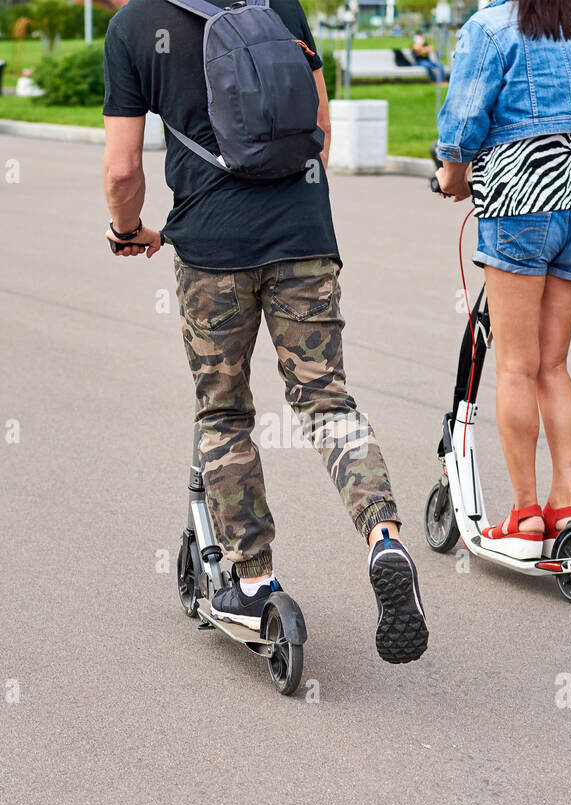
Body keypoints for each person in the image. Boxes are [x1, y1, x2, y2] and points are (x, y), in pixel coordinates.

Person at [101, 0, 429, 664]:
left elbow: (122, 170)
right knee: (327, 402)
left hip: (212, 251)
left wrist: (127, 228)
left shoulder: (134, 28)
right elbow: (319, 124)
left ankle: (252, 582)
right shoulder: (280, 2)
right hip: (305, 235)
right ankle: (385, 539)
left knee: (224, 413)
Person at [434, 0, 571, 561]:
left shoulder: (492, 28)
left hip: (519, 206)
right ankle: (564, 505)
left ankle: (523, 514)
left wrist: (452, 177)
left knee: (517, 365)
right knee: (554, 365)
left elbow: (463, 122)